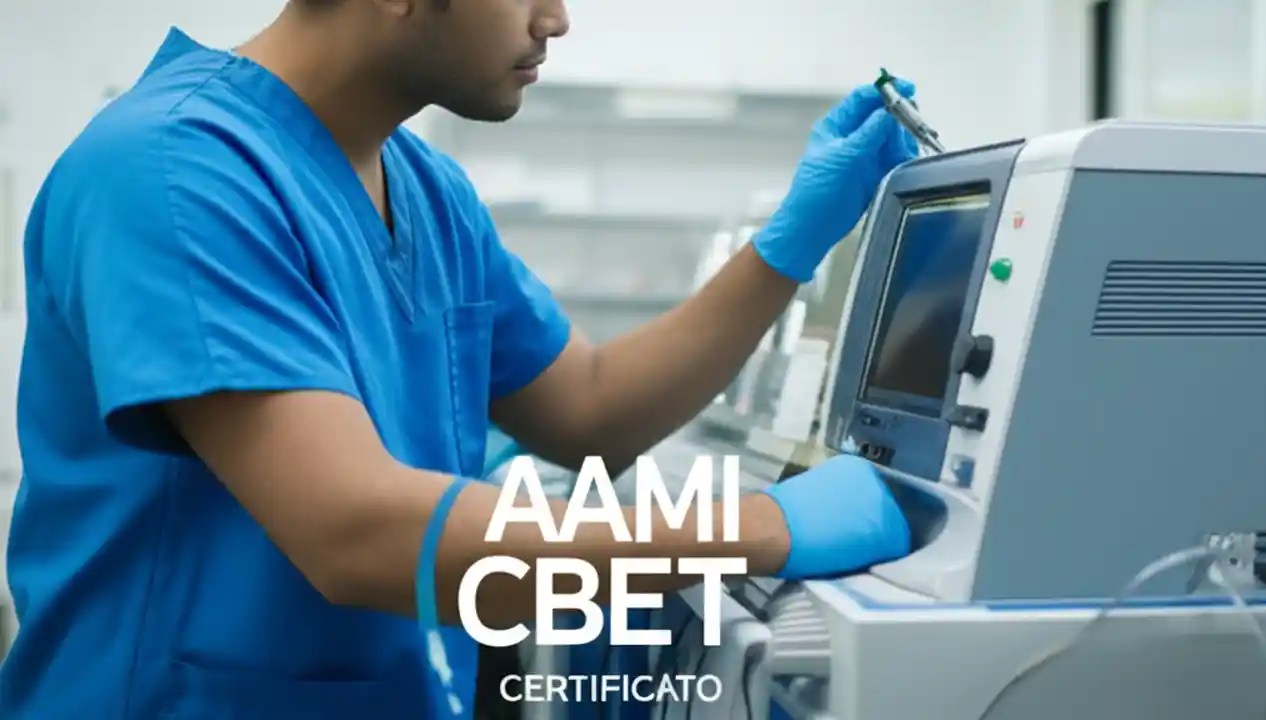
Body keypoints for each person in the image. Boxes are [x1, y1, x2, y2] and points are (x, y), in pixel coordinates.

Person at [0, 1, 919, 718]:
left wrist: (789, 247)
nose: (556, 20)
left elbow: (592, 408)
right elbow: (358, 533)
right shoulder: (170, 171)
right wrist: (759, 530)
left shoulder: (429, 191)